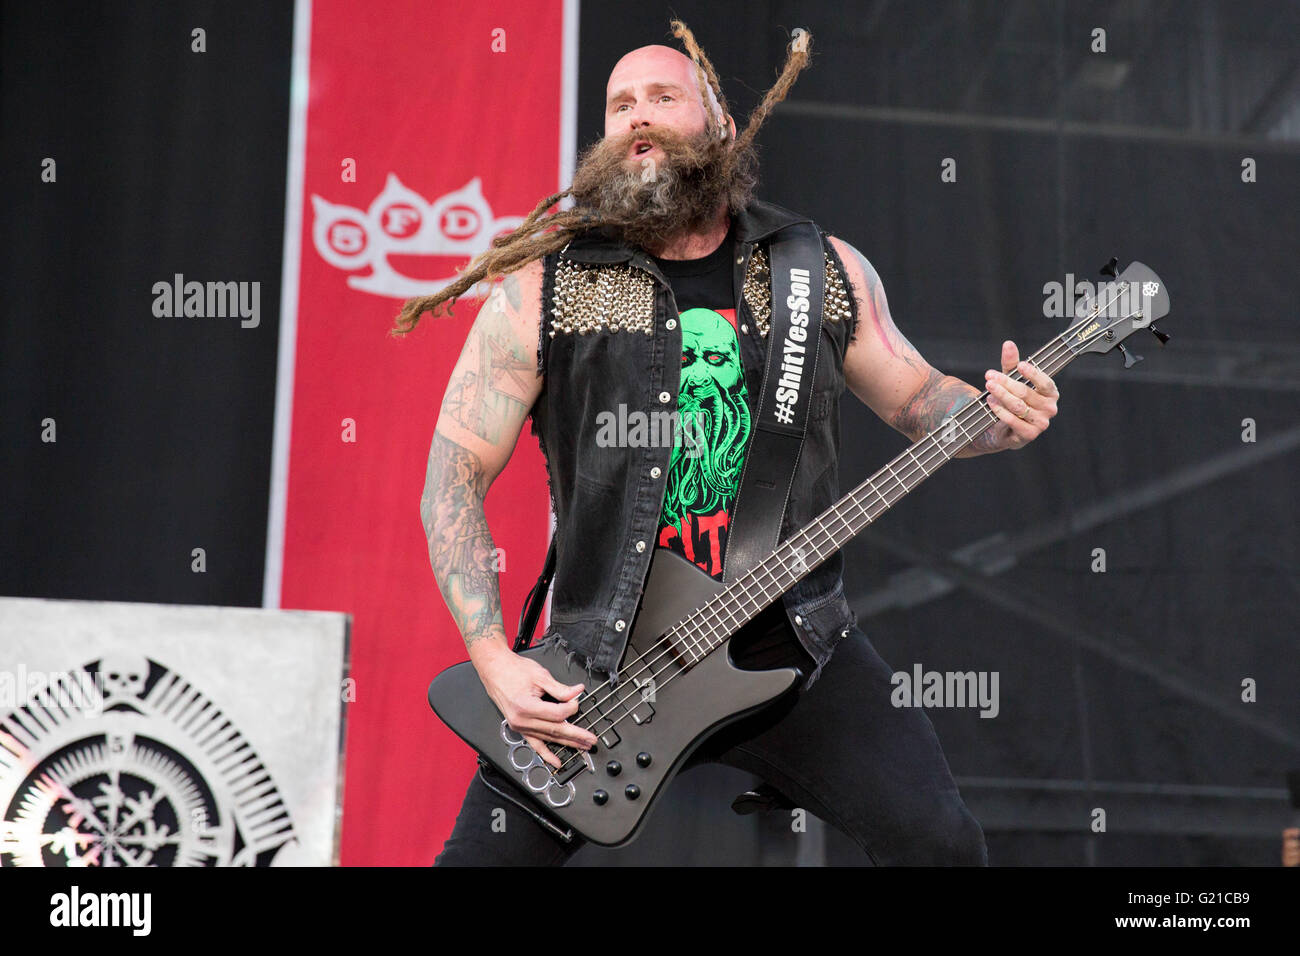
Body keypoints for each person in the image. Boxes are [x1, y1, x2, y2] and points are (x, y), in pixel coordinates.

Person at [400, 21, 1060, 866]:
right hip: (601, 665)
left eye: (661, 98)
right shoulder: (546, 290)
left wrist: (1002, 417)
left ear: (716, 125)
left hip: (794, 644)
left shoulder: (818, 268)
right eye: (620, 104)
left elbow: (923, 400)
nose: (637, 115)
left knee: (940, 843)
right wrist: (493, 659)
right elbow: (450, 477)